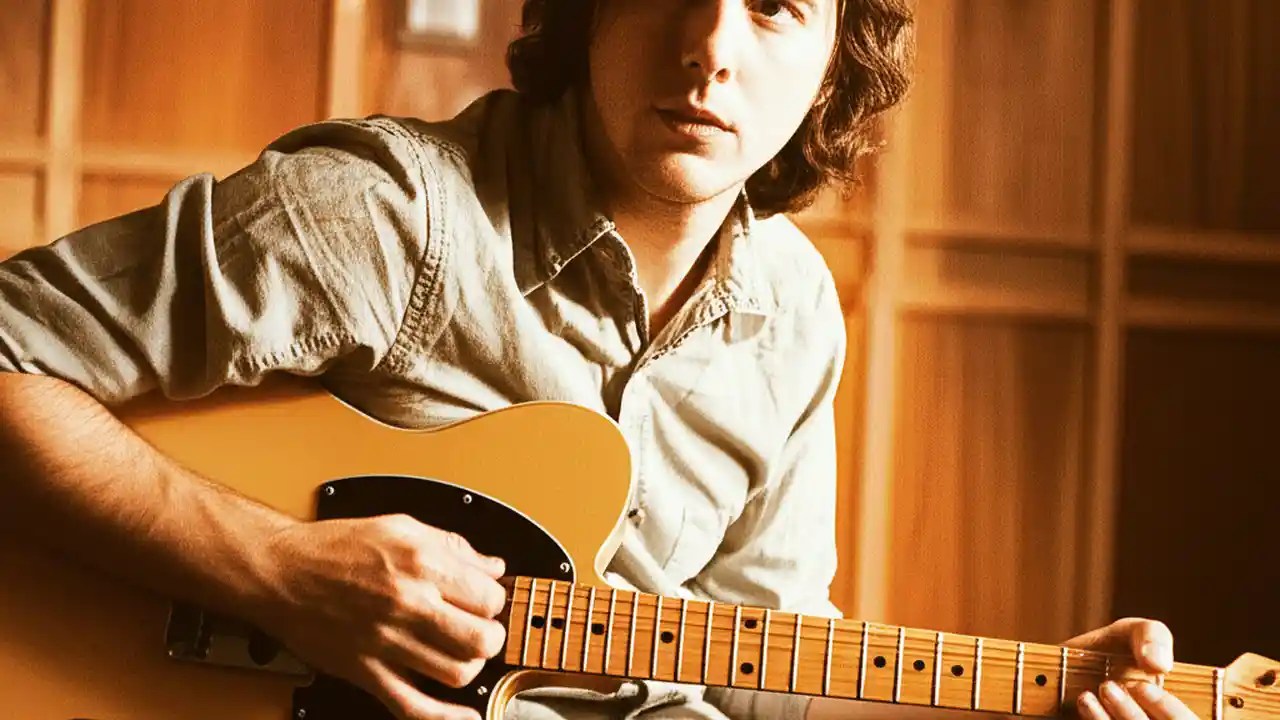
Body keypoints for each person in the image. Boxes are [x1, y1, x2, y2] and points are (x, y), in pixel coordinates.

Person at [0, 2, 1197, 720]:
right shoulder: (385, 214)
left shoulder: (790, 310)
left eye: (776, 2)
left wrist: (1042, 690)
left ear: (836, 63)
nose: (707, 47)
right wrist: (277, 572)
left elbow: (752, 652)